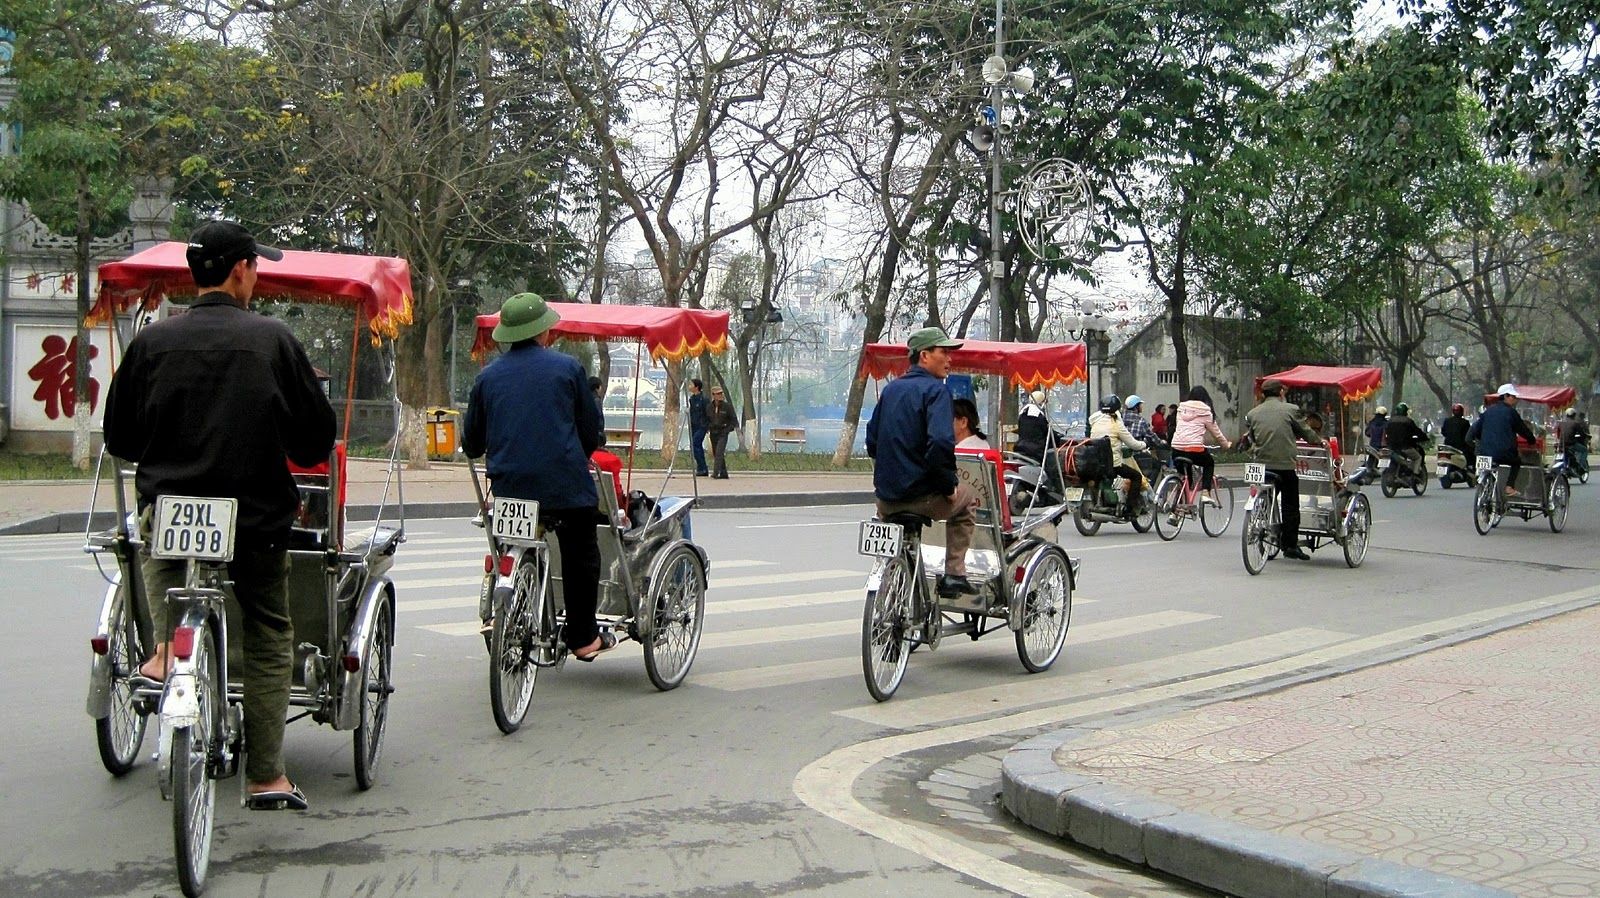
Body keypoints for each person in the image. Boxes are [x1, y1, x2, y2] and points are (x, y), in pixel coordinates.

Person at [102, 220, 335, 811]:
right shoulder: (273, 340)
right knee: (268, 632)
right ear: (240, 271)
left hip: (170, 515)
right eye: (256, 267)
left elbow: (121, 438)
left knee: (156, 547)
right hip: (256, 523)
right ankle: (265, 776)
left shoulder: (151, 344)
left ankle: (161, 648)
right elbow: (314, 441)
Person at [463, 292, 614, 661]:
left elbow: (472, 442)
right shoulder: (568, 369)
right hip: (564, 488)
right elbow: (591, 432)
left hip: (509, 489)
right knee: (582, 552)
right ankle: (583, 638)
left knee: (507, 545)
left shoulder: (487, 378)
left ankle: (505, 597)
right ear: (543, 332)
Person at [865, 327, 979, 597]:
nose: (949, 359)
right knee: (969, 499)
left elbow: (872, 441)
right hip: (923, 498)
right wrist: (948, 485)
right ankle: (954, 573)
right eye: (944, 352)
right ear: (925, 356)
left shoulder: (891, 390)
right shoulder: (936, 391)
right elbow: (940, 444)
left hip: (885, 499)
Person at [1244, 378, 1324, 560]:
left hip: (1261, 464)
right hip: (1284, 466)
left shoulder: (1252, 414)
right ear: (1281, 393)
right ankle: (1290, 545)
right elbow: (1307, 433)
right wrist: (1320, 441)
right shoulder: (1290, 410)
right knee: (1290, 504)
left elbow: (1254, 437)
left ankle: (1262, 520)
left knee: (1266, 493)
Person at [1467, 385, 1538, 498]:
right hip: (1505, 453)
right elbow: (1523, 430)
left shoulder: (1487, 412)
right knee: (1516, 462)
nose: (1515, 399)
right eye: (1513, 396)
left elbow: (1473, 433)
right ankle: (1509, 487)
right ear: (1505, 396)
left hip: (1485, 452)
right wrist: (1531, 440)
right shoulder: (1511, 413)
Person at [1087, 394, 1149, 515]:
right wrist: (1144, 445)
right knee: (1136, 476)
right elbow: (1133, 444)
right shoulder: (1116, 424)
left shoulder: (1095, 422)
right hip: (1113, 464)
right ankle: (1129, 509)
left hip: (1096, 463)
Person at [1170, 385, 1232, 492]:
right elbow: (1217, 434)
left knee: (1186, 479)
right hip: (1194, 449)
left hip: (1176, 448)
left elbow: (1181, 428)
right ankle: (1205, 493)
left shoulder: (1181, 409)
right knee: (1209, 463)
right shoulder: (1205, 411)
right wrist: (1226, 445)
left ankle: (1182, 503)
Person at [1121, 394, 1166, 482]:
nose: (1142, 407)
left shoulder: (1120, 419)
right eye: (1140, 405)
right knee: (1157, 465)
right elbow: (1151, 436)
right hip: (1136, 453)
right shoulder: (1141, 421)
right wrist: (1161, 442)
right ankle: (1150, 490)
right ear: (1136, 407)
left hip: (1121, 454)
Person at [1383, 402, 1429, 477]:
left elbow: (1386, 432)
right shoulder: (1408, 421)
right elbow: (1417, 431)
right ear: (1406, 411)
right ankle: (1415, 474)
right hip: (1405, 447)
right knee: (1418, 458)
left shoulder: (1390, 421)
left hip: (1392, 447)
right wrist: (1424, 437)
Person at [707, 384, 739, 479]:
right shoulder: (709, 407)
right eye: (718, 394)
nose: (720, 395)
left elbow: (734, 420)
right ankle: (724, 473)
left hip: (723, 433)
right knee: (716, 452)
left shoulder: (727, 407)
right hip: (713, 432)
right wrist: (708, 427)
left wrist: (727, 429)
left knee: (719, 452)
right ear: (713, 395)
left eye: (721, 393)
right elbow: (705, 419)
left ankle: (716, 473)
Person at [1015, 389, 1055, 460]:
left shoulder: (1022, 414)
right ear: (1041, 402)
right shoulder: (1039, 417)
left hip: (1020, 446)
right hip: (1036, 450)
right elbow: (1047, 433)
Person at [1440, 403, 1474, 468]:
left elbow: (1443, 432)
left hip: (1448, 446)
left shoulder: (1447, 421)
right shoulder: (1465, 422)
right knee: (1471, 455)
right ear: (1462, 412)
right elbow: (1468, 435)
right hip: (1460, 447)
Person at [688, 378, 710, 477]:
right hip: (694, 425)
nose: (689, 386)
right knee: (695, 446)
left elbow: (708, 413)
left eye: (691, 384)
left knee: (696, 443)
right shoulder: (692, 399)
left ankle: (703, 467)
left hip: (702, 425)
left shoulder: (704, 399)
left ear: (696, 387)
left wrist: (707, 426)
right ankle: (701, 467)